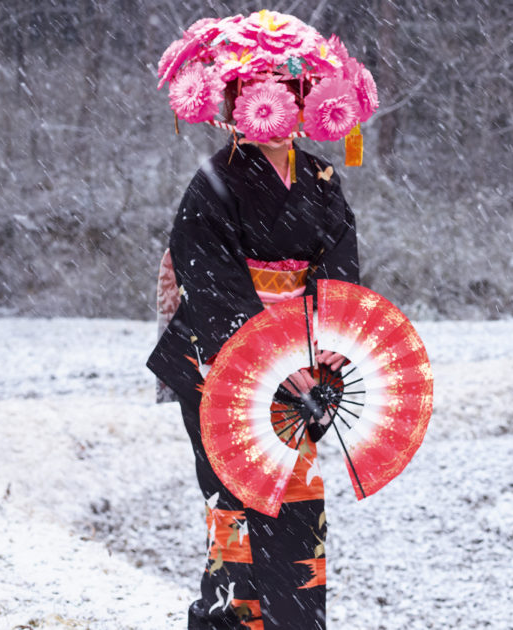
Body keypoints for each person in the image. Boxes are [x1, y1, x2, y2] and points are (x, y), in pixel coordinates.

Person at [148, 11, 373, 629]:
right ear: (234, 102)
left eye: (287, 92)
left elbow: (338, 273)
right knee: (238, 499)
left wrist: (327, 347)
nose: (272, 107)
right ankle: (234, 618)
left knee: (295, 498)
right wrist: (270, 355)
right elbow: (212, 283)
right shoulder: (213, 183)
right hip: (219, 360)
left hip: (298, 365)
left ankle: (292, 618)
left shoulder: (322, 182)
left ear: (305, 102)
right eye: (255, 92)